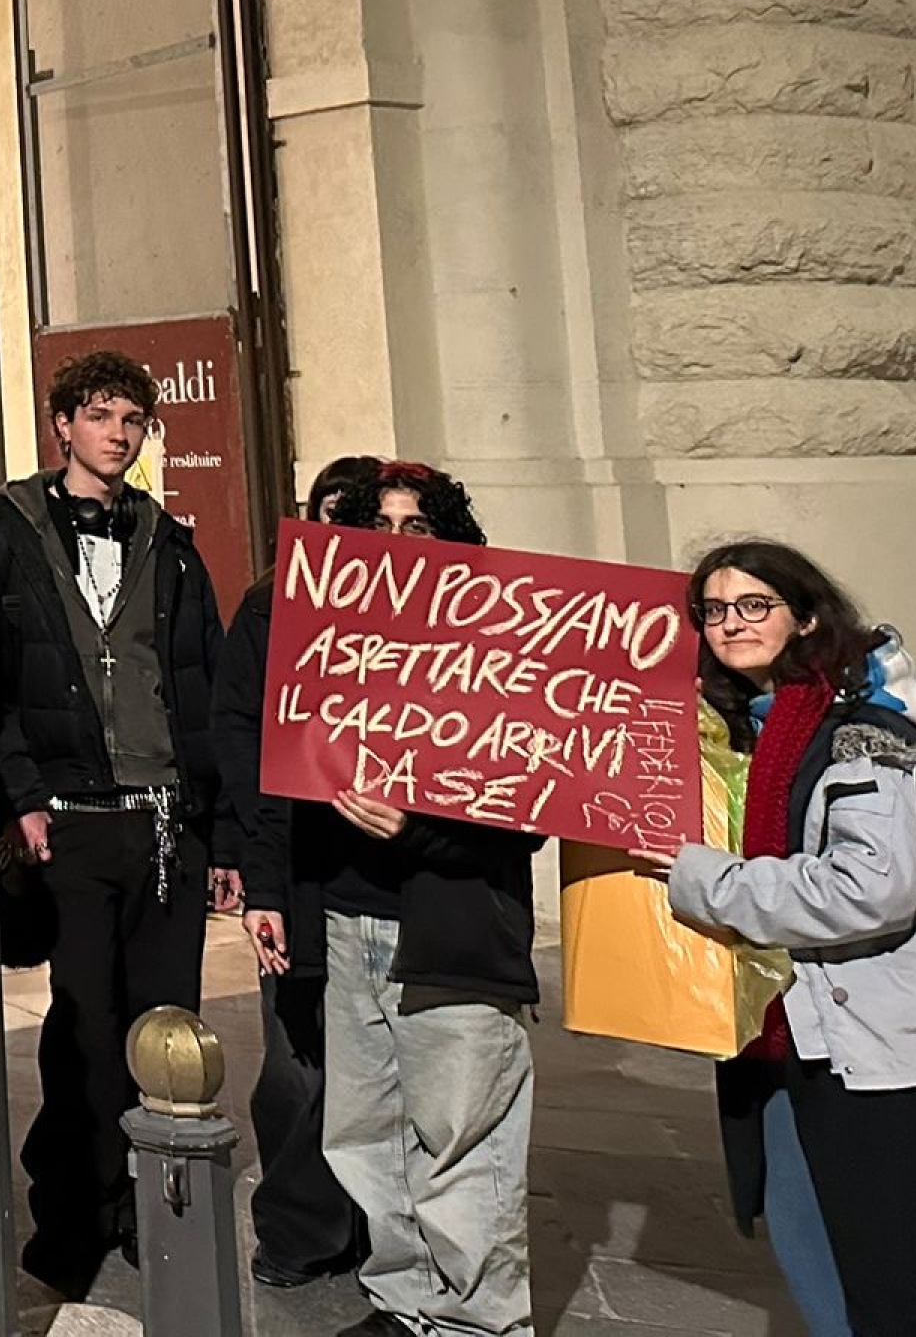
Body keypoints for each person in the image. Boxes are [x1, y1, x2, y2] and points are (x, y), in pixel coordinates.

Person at [0, 350, 235, 1299]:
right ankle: (67, 1218)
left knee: (166, 1028)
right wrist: (20, 795)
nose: (118, 433)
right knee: (81, 1031)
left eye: (133, 419)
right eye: (101, 414)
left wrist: (220, 831)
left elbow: (203, 688)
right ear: (62, 425)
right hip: (67, 820)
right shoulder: (1, 532)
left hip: (165, 826)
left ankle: (143, 1214)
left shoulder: (171, 541)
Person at [665, 541, 916, 1337]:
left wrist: (703, 878)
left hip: (886, 1059)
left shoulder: (868, 732)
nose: (732, 623)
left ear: (805, 616)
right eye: (715, 609)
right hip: (789, 1039)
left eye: (754, 605)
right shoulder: (747, 732)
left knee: (906, 1288)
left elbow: (873, 889)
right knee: (822, 1263)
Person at [309, 465, 541, 1337]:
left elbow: (525, 814)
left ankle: (479, 1323)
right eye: (383, 527)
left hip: (453, 929)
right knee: (366, 1138)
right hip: (348, 919)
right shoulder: (329, 643)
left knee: (462, 1143)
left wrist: (410, 830)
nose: (400, 544)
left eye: (420, 528)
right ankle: (406, 1302)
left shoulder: (503, 651)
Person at [212, 455, 382, 1291]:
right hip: (299, 871)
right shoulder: (266, 606)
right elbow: (241, 736)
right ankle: (301, 1231)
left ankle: (386, 1231)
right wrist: (255, 871)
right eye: (331, 515)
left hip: (397, 885)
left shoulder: (423, 616)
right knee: (297, 1068)